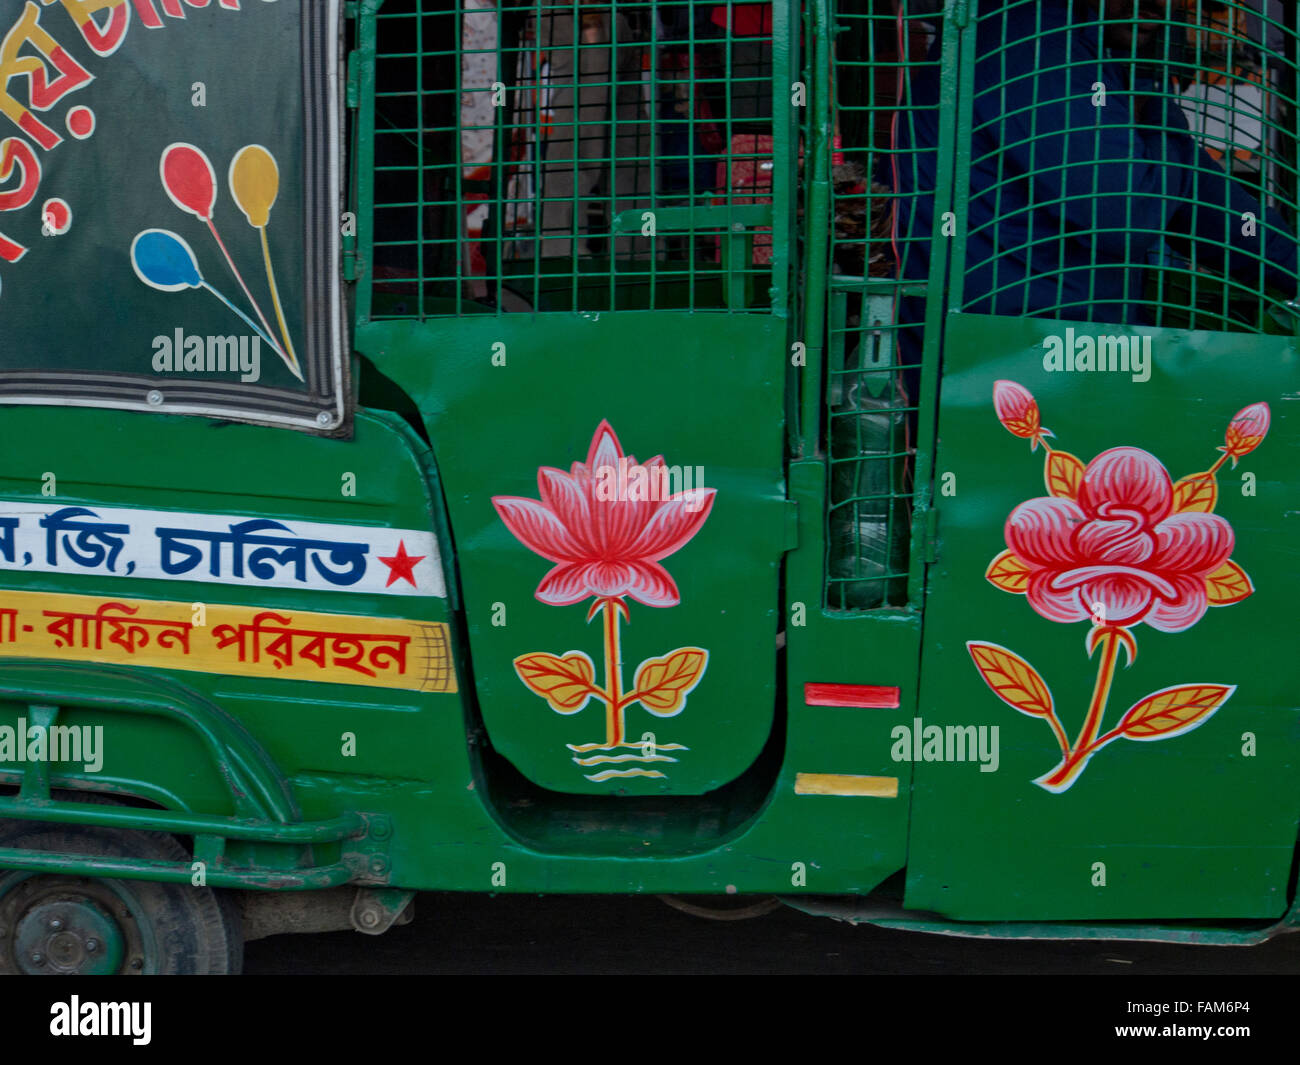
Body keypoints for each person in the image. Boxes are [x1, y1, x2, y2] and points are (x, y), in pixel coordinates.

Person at [895, 0, 1299, 326]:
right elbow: (1125, 214)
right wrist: (1159, 119)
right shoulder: (1031, 35)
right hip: (995, 344)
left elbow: (1204, 201)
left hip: (1060, 343)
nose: (1153, 5)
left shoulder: (1101, 57)